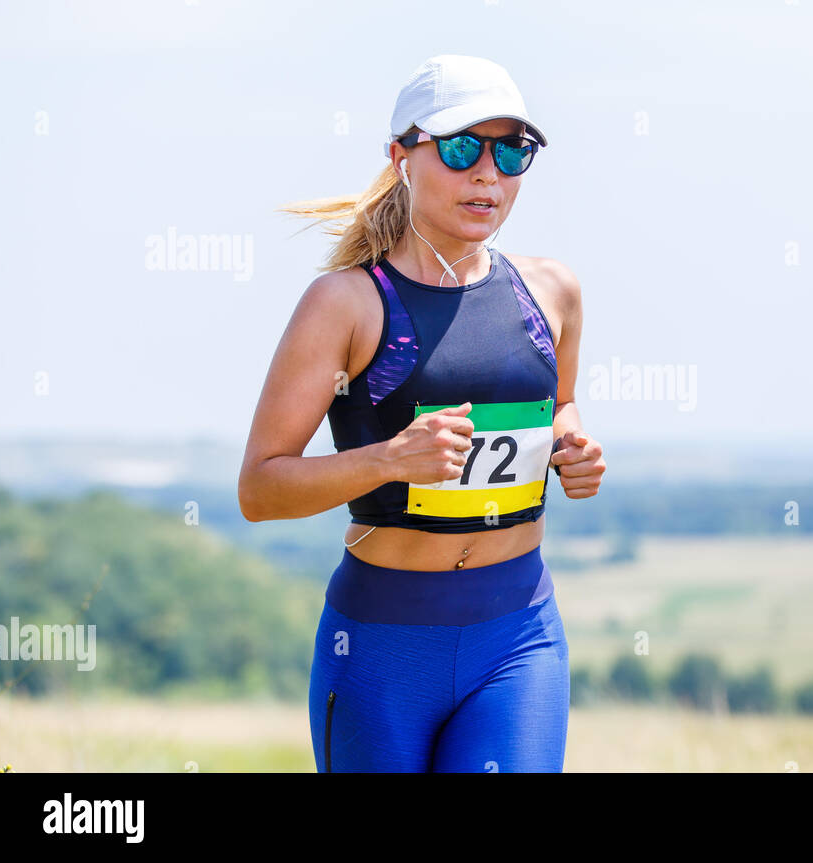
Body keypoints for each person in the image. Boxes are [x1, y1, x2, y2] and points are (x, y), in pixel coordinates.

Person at [237, 55, 606, 772]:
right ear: (401, 157)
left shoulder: (553, 290)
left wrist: (574, 445)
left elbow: (559, 403)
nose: (488, 173)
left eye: (513, 151)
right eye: (464, 146)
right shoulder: (344, 303)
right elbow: (259, 488)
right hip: (382, 645)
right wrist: (387, 460)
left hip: (519, 636)